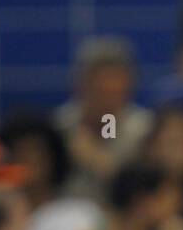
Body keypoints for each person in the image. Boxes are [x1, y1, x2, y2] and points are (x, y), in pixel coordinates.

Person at [0, 112, 99, 230]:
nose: (27, 159)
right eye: (18, 152)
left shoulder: (81, 217)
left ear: (53, 158)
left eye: (36, 151)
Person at [54, 38, 153, 200]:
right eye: (100, 92)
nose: (108, 103)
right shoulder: (61, 126)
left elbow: (143, 188)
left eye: (115, 93)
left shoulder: (144, 129)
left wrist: (97, 159)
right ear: (82, 86)